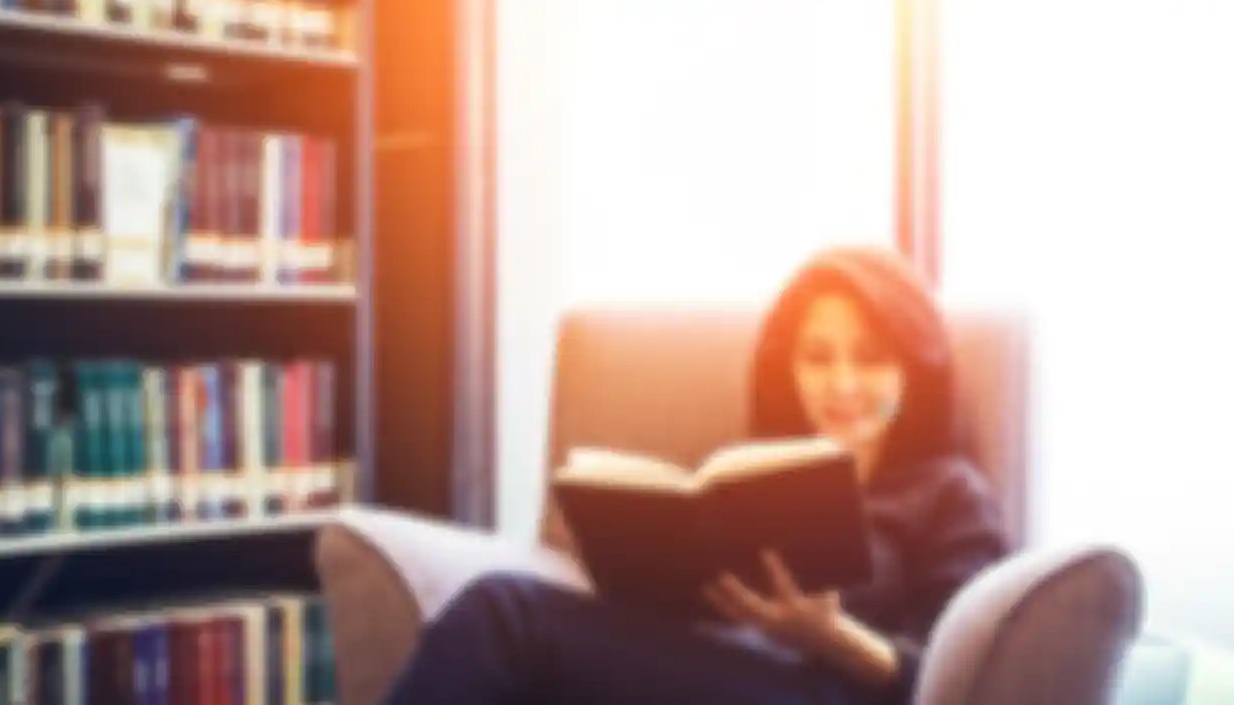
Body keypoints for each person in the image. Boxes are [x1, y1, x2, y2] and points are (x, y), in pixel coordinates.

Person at [384, 246, 1009, 705]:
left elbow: (959, 678)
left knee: (505, 613)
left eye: (871, 359)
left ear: (914, 372)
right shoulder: (757, 475)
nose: (841, 384)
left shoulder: (949, 494)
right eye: (817, 358)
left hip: (824, 693)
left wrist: (829, 635)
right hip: (712, 673)